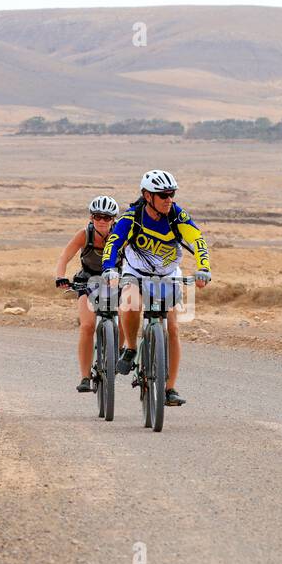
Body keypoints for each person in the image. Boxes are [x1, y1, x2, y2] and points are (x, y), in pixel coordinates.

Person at [101, 170, 211, 406]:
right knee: (130, 302)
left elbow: (198, 240)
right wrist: (109, 268)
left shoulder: (177, 216)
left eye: (171, 194)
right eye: (163, 195)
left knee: (172, 328)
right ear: (147, 195)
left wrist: (204, 268)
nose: (168, 199)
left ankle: (169, 388)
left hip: (167, 274)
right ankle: (130, 348)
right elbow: (113, 243)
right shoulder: (131, 218)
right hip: (136, 272)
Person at [55, 195, 119, 392]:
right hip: (87, 281)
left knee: (126, 319)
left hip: (116, 280)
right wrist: (60, 276)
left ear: (114, 219)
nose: (101, 221)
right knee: (87, 326)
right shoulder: (84, 234)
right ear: (91, 218)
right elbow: (65, 255)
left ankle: (120, 356)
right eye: (97, 216)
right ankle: (85, 377)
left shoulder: (122, 234)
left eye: (106, 217)